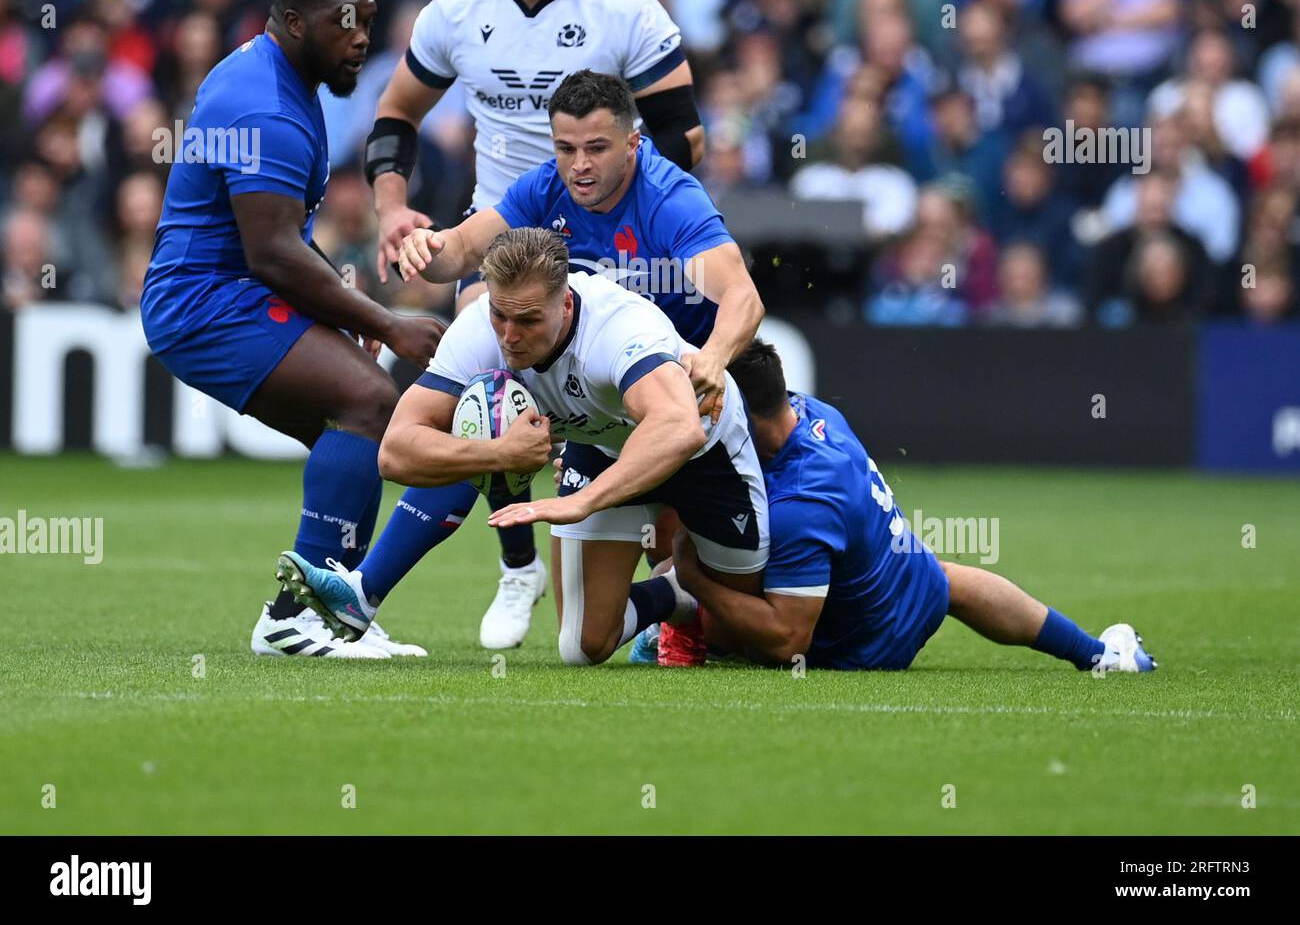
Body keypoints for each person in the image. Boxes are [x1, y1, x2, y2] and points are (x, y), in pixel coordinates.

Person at [361, 0, 708, 646]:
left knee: (658, 417)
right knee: (478, 401)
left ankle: (683, 587)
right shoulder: (456, 9)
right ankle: (511, 563)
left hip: (615, 240)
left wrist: (639, 214)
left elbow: (683, 135)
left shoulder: (625, 5)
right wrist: (392, 210)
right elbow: (394, 117)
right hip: (504, 240)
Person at [390, 69, 763, 658]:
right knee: (582, 646)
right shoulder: (542, 192)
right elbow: (461, 248)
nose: (579, 165)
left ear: (632, 142)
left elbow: (743, 296)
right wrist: (425, 249)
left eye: (596, 148)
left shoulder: (670, 199)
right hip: (595, 409)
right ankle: (624, 586)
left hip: (687, 401)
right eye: (566, 149)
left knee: (745, 627)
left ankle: (697, 583)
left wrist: (715, 358)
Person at [275, 228, 769, 667]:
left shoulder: (617, 329)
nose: (510, 336)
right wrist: (502, 454)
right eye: (499, 314)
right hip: (603, 451)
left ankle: (693, 573)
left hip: (707, 451)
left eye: (528, 320)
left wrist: (581, 501)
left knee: (738, 634)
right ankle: (677, 590)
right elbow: (395, 453)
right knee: (584, 646)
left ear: (567, 304)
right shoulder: (478, 331)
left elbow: (679, 428)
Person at [140, 0, 445, 658]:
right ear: (294, 22)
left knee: (355, 426)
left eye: (369, 23)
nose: (362, 40)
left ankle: (334, 613)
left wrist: (341, 312)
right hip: (205, 301)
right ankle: (295, 618)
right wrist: (386, 323)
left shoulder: (281, 77)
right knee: (369, 398)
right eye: (346, 25)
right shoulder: (266, 105)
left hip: (228, 291)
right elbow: (271, 252)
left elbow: (278, 246)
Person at [670, 340, 1157, 675]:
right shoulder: (814, 413)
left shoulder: (800, 501)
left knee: (706, 578)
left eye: (717, 408)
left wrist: (694, 581)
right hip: (917, 586)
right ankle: (1099, 655)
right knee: (943, 576)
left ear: (745, 411)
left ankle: (677, 629)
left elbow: (787, 641)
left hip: (862, 649)